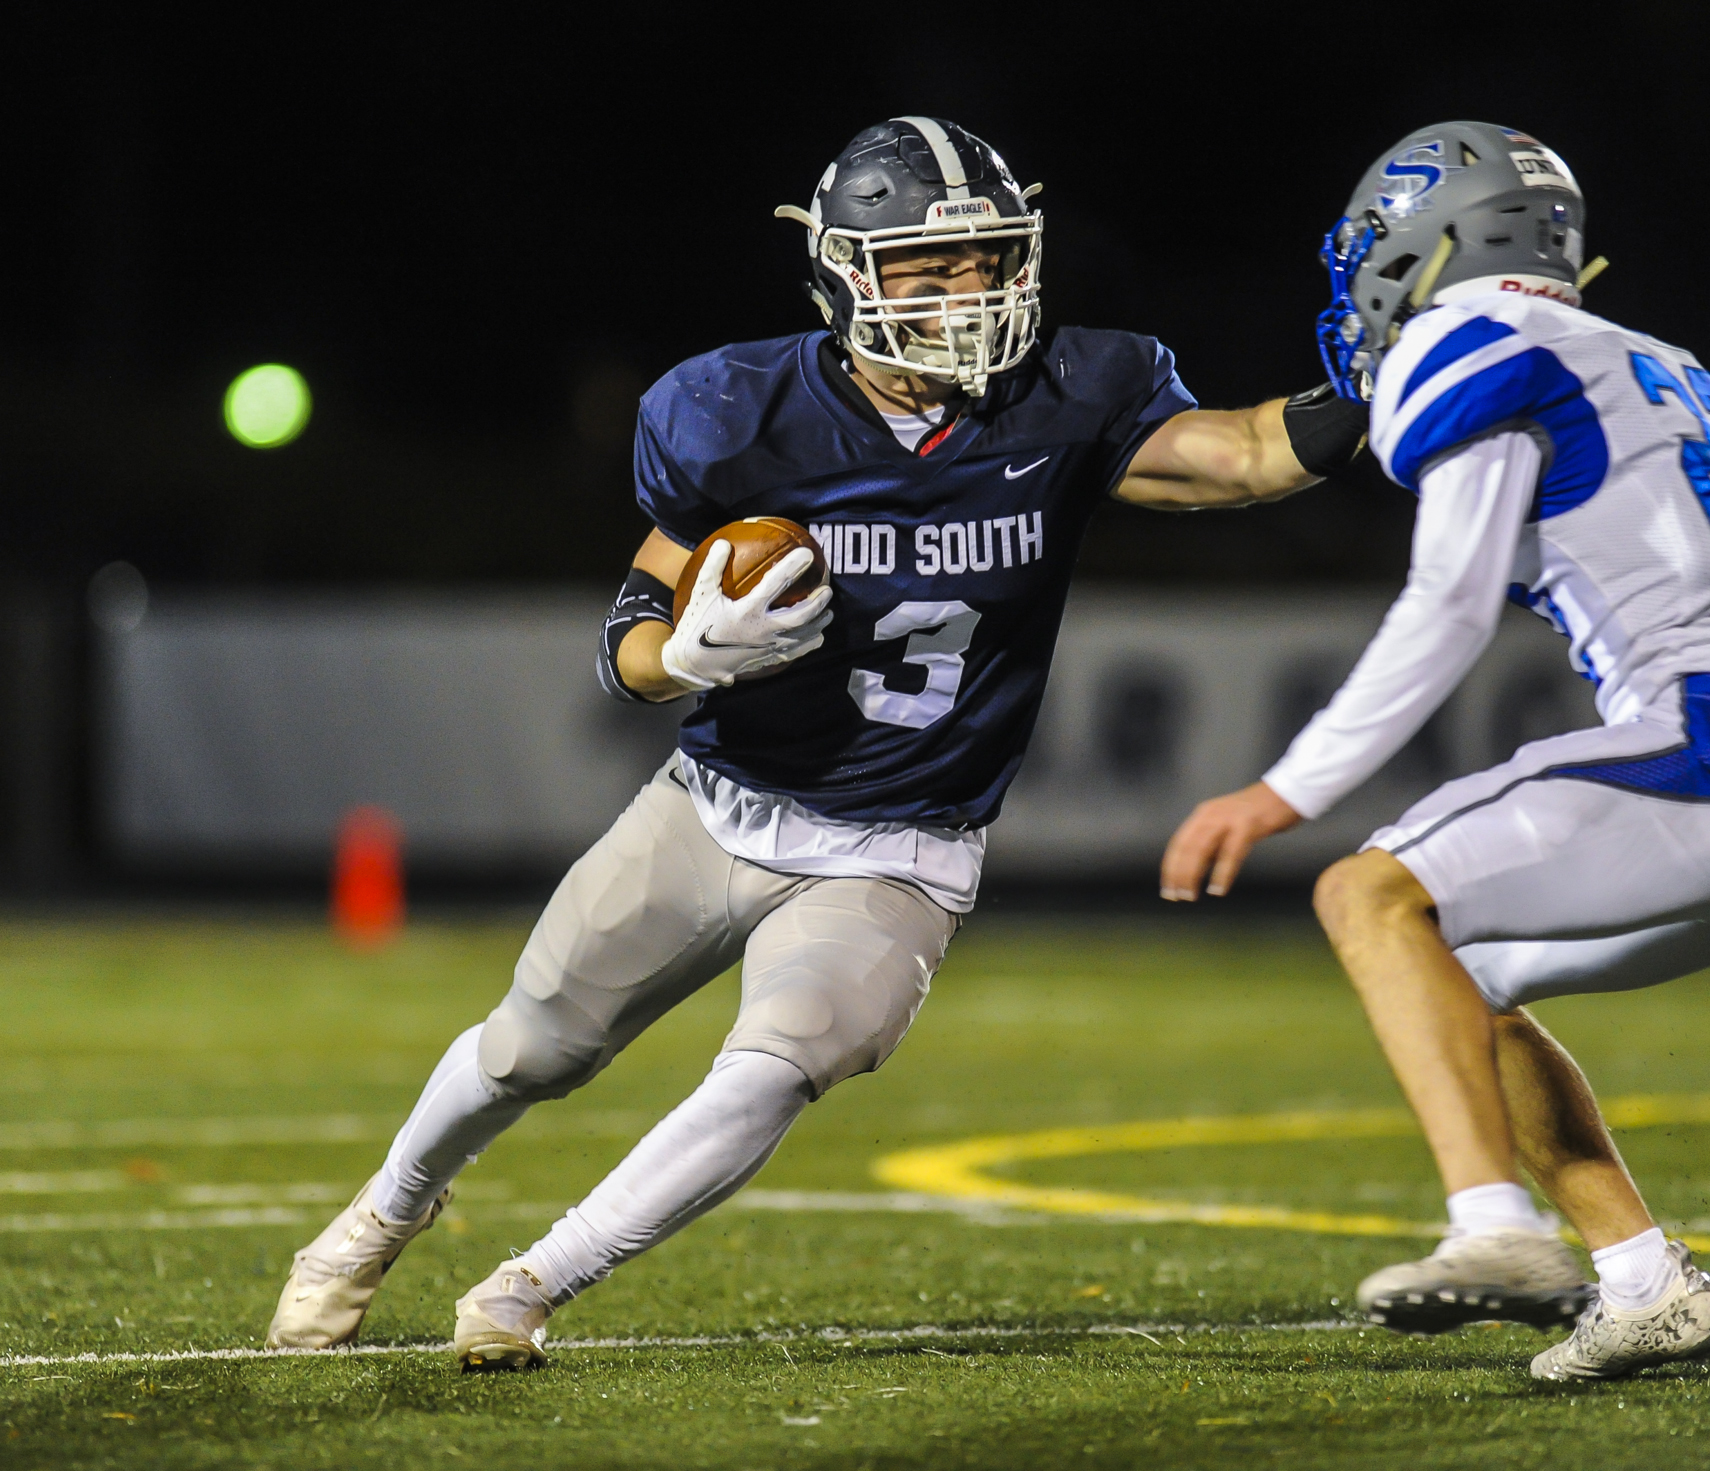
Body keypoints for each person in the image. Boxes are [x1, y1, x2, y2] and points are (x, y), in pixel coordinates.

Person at [265, 116, 1369, 1369]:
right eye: (928, 269)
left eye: (991, 260)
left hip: (900, 844)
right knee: (530, 1048)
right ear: (845, 273)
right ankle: (374, 1219)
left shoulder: (1068, 394)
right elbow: (633, 628)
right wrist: (679, 659)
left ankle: (530, 1283)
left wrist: (1387, 385)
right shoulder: (736, 411)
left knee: (778, 1064)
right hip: (715, 800)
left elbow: (1241, 456)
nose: (971, 295)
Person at [1160, 121, 1710, 1381]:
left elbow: (1448, 602)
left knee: (1366, 891)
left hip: (1709, 741)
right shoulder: (1661, 361)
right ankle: (1643, 1278)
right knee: (1458, 975)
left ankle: (1493, 1231)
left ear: (1424, 240)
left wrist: (1282, 792)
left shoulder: (1467, 341)